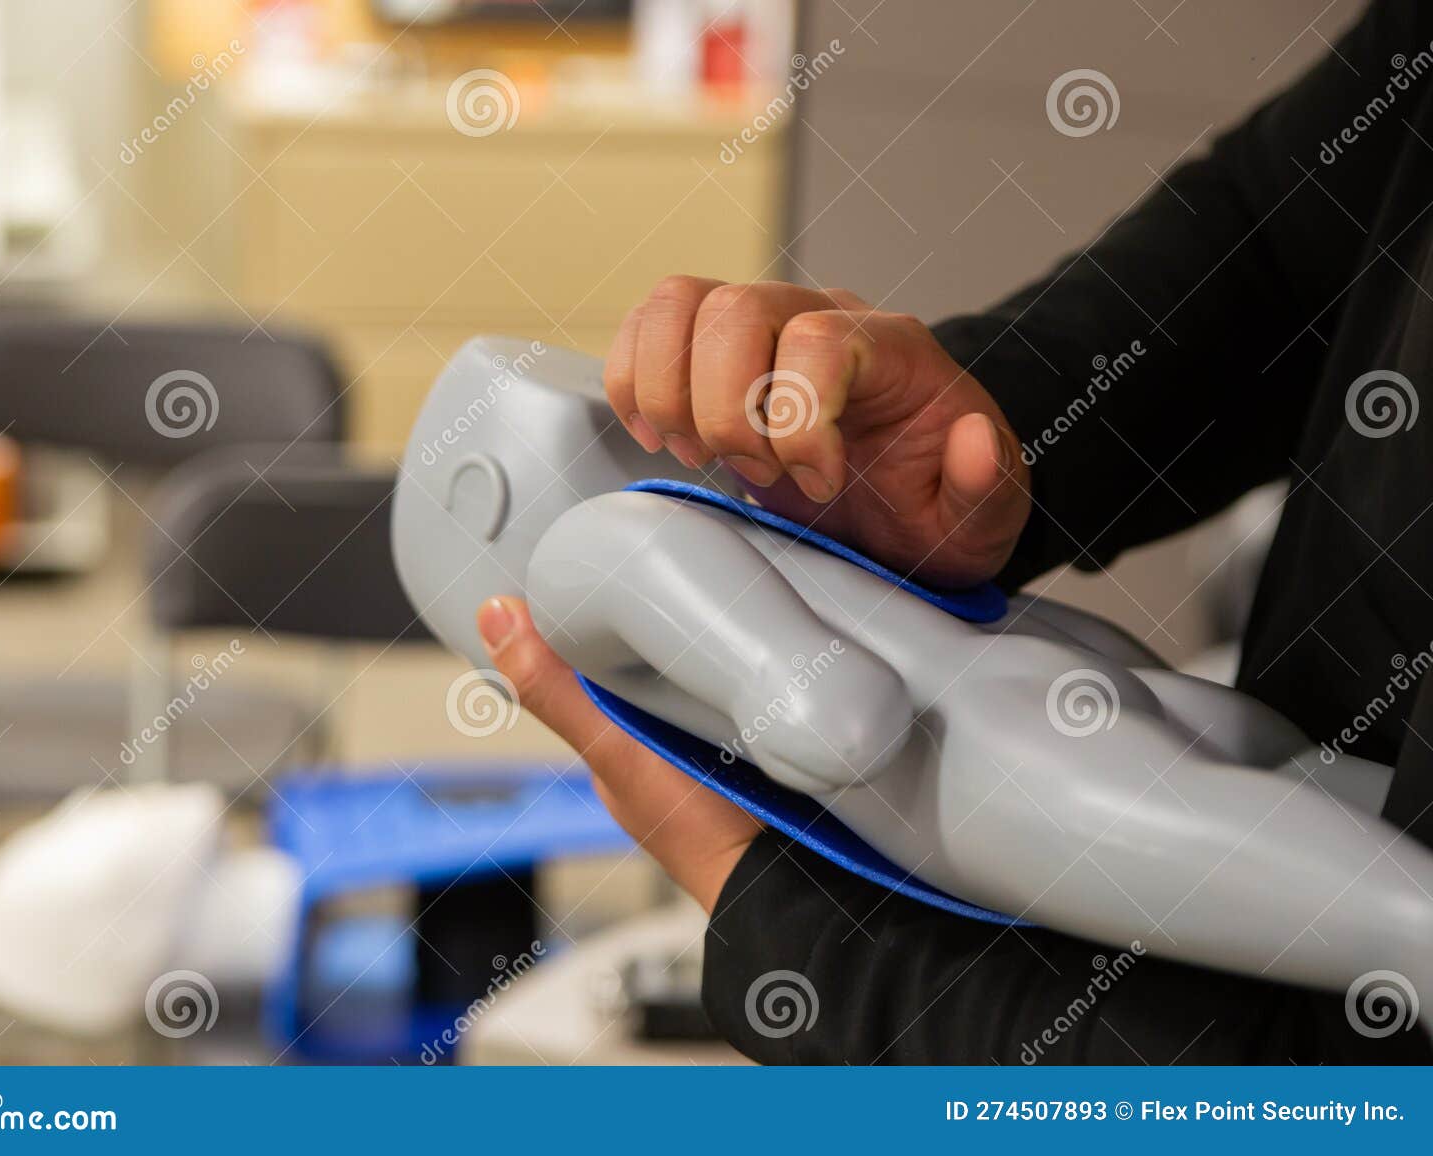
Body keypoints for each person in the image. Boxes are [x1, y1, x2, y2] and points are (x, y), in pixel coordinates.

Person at [476, 0, 1433, 1063]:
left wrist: (800, 927)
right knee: (1216, 785)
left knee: (1151, 806)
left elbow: (1346, 1098)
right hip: (1059, 715)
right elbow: (1284, 236)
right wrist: (991, 428)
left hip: (993, 754)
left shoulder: (584, 559)